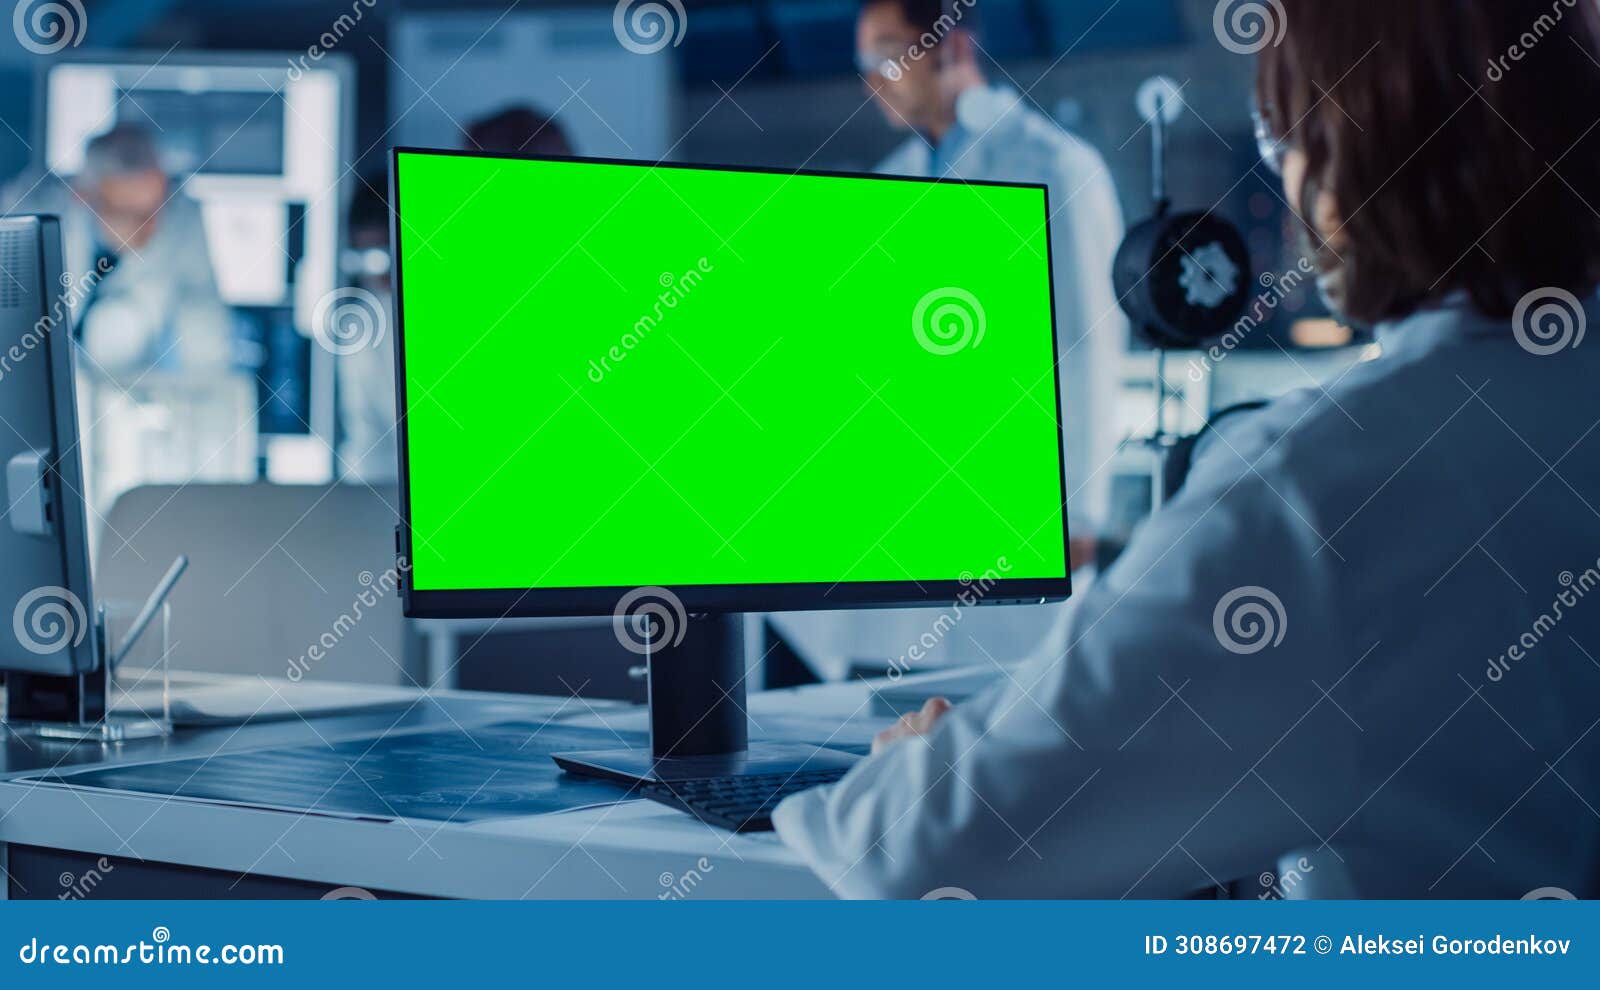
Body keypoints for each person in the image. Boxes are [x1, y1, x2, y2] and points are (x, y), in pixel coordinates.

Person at [775, 0, 1600, 899]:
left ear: (1341, 147)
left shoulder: (1316, 488)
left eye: (1277, 129)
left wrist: (916, 767)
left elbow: (921, 851)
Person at [768, 0, 1126, 679]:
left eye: (886, 55)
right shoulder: (893, 177)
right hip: (907, 515)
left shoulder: (1054, 166)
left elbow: (1086, 345)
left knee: (999, 724)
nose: (872, 79)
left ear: (950, 48)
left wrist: (1079, 512)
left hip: (1014, 511)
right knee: (889, 719)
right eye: (862, 63)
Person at [3, 122, 231, 374]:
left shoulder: (182, 220)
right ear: (83, 196)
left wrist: (207, 395)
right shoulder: (30, 212)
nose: (149, 227)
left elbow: (204, 324)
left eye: (154, 211)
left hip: (121, 386)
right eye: (128, 214)